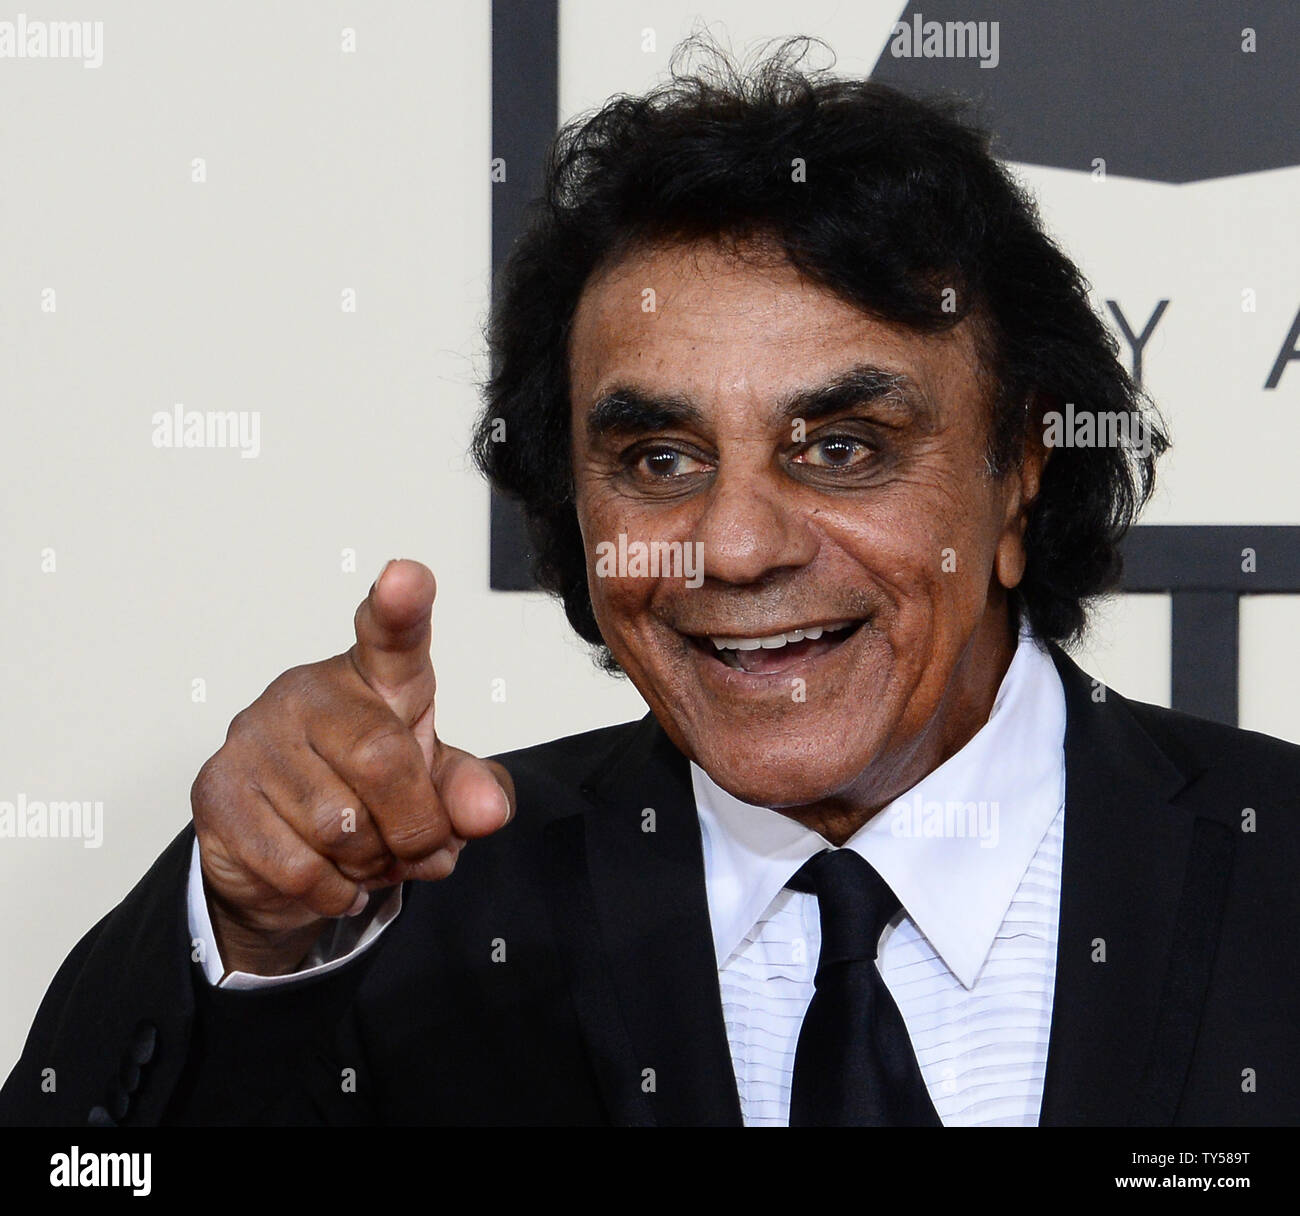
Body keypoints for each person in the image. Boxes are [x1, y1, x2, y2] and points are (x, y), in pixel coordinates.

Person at [3, 39, 1296, 1128]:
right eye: (660, 457)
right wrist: (257, 929)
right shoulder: (406, 925)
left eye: (842, 447)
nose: (735, 547)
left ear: (1021, 467)